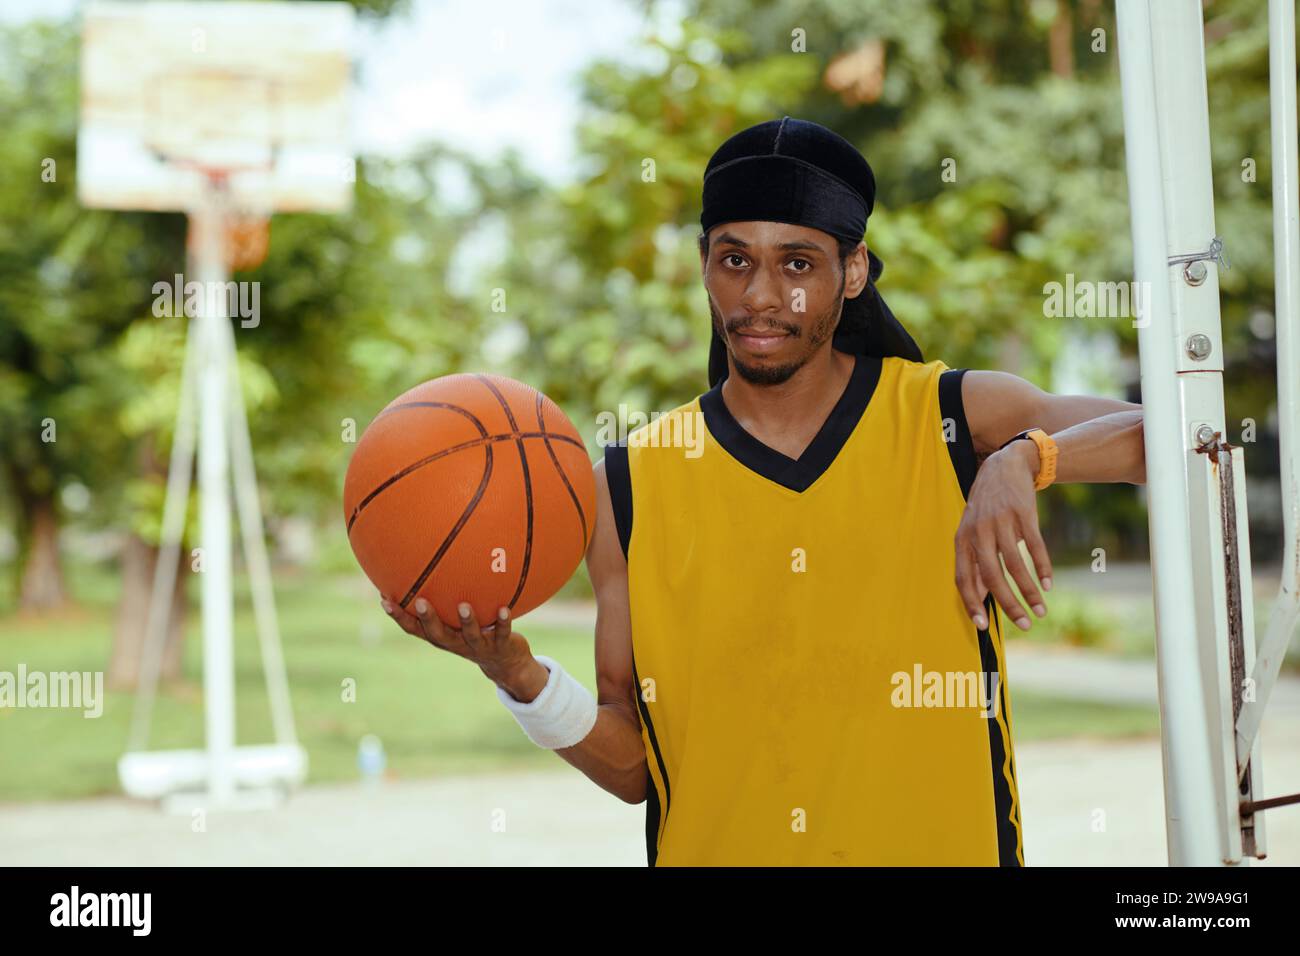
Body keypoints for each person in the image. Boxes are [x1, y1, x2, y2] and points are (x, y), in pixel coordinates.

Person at [382, 116, 1147, 866]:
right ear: (703, 263)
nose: (762, 297)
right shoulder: (626, 486)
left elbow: (1169, 435)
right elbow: (634, 769)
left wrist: (1026, 459)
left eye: (799, 264)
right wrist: (516, 674)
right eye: (736, 260)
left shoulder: (953, 419)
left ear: (852, 271)